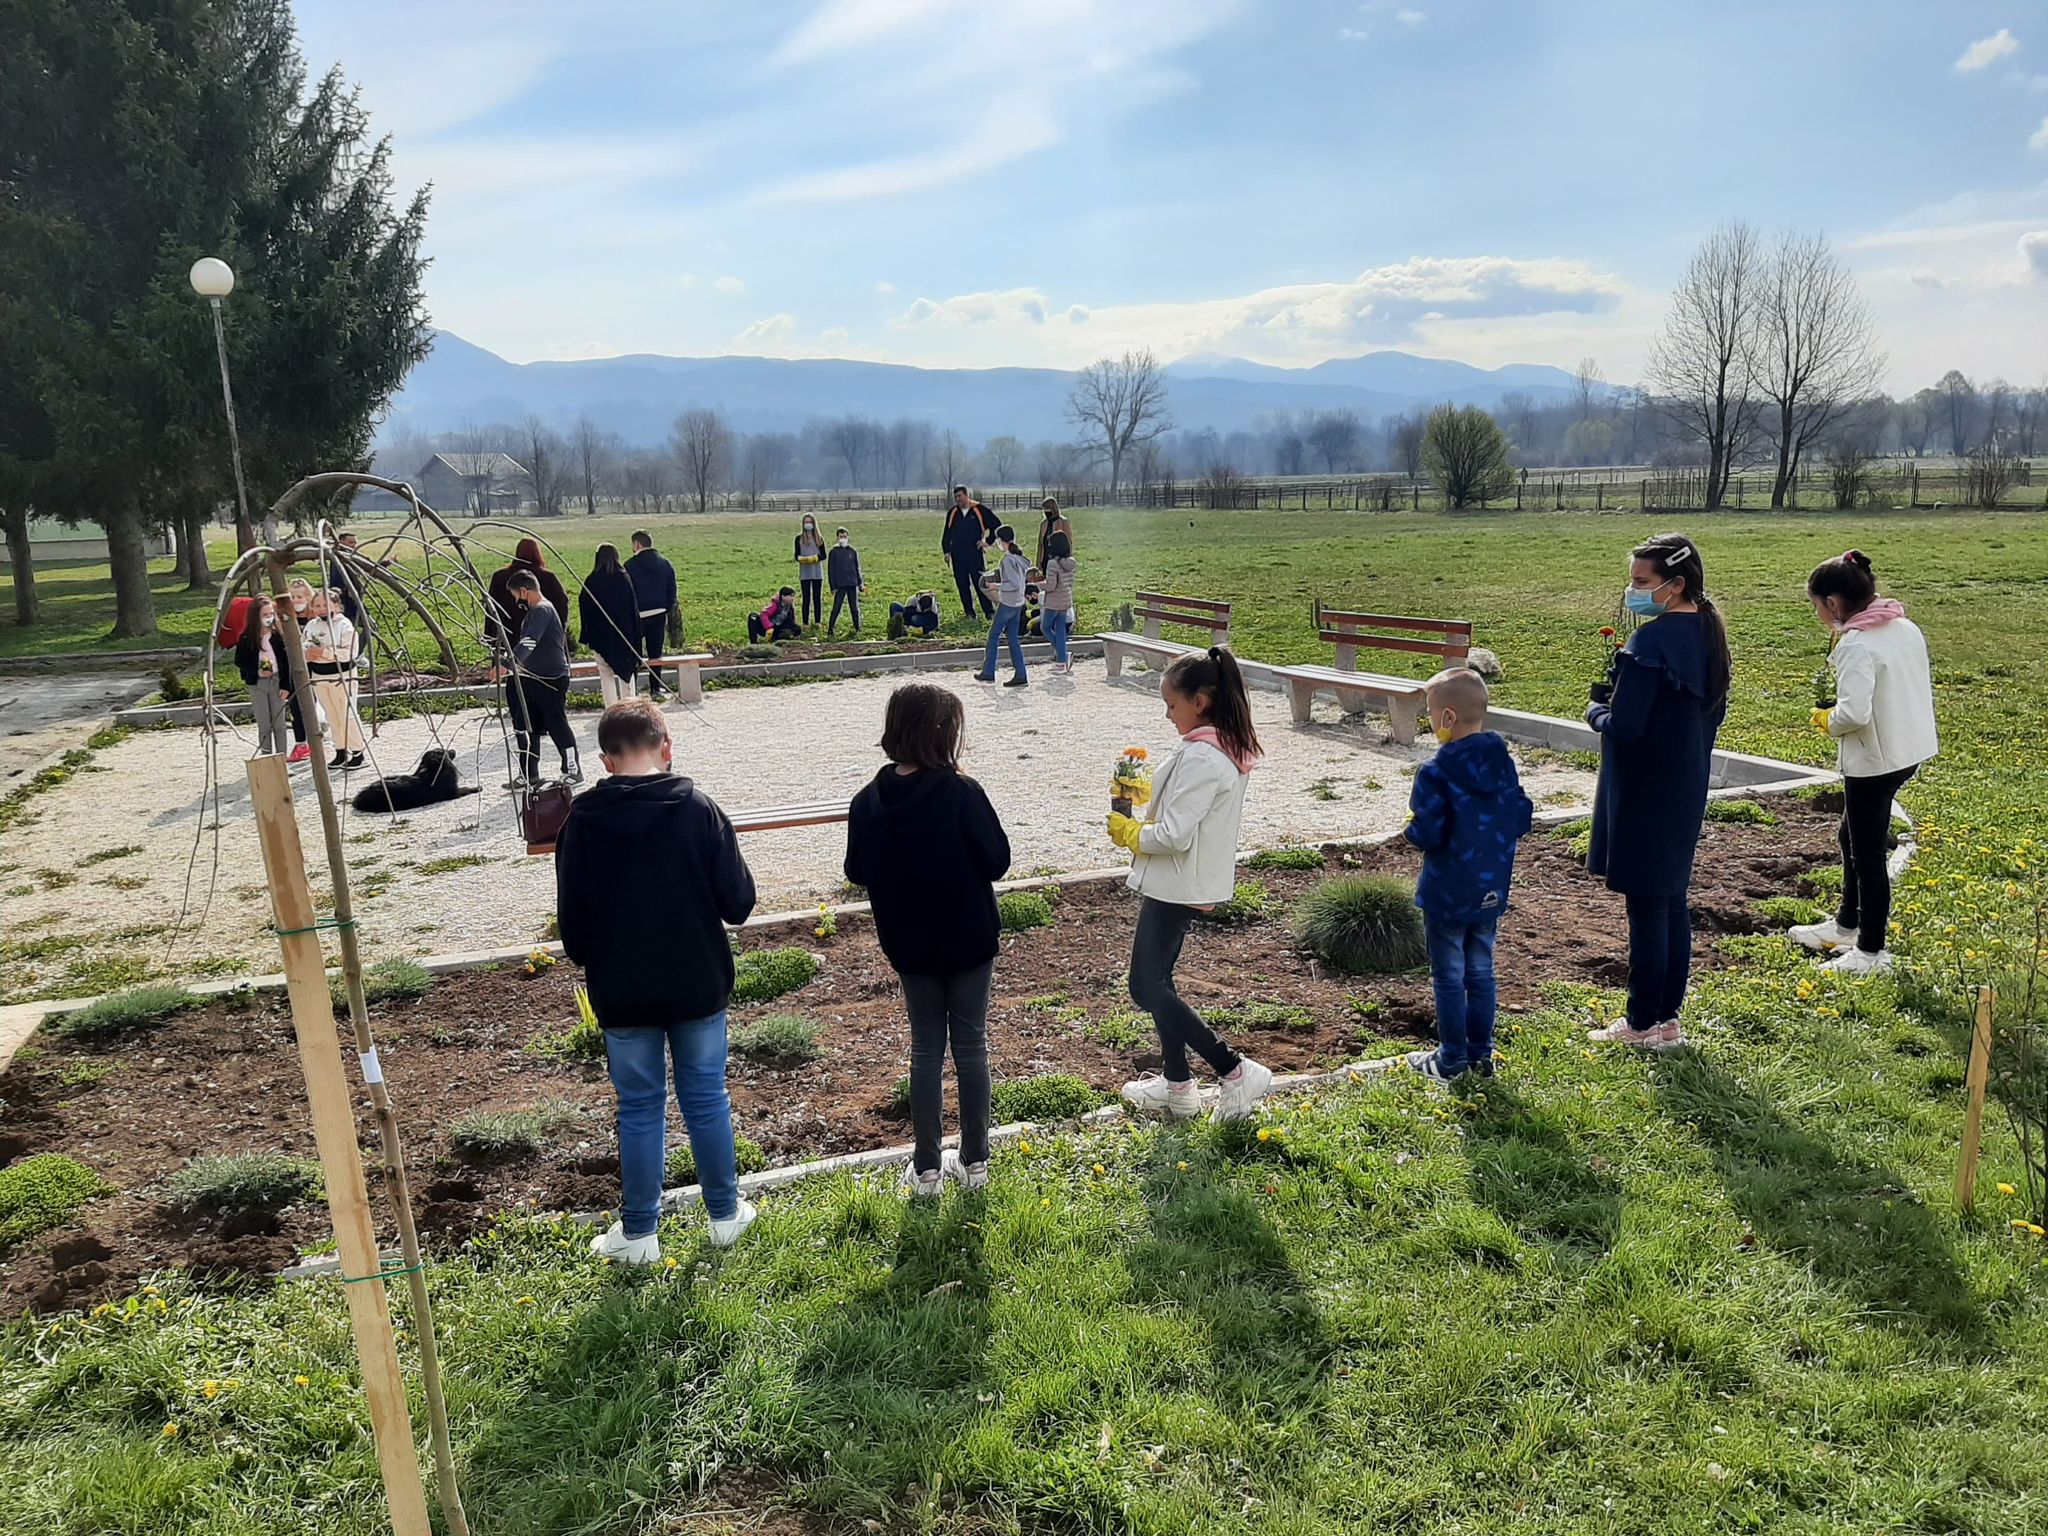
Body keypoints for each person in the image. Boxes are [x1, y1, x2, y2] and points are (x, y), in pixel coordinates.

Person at [556, 699, 760, 1260]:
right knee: (706, 1098)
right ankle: (725, 1214)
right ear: (667, 749)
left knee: (640, 1108)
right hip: (696, 980)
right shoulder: (698, 809)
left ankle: (640, 1233)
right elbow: (739, 903)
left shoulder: (582, 822)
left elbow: (574, 930)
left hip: (623, 989)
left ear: (605, 761)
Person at [845, 684, 1012, 1197]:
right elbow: (998, 861)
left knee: (925, 1049)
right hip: (969, 939)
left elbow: (856, 871)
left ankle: (926, 1169)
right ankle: (977, 1160)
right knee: (971, 1045)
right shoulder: (963, 793)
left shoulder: (867, 801)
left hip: (910, 944)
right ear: (944, 735)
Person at [1107, 648, 1274, 1121]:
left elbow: (1175, 835)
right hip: (1180, 880)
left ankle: (1234, 1070)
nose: (1167, 714)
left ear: (1199, 701)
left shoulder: (1204, 755)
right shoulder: (1212, 745)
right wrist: (1134, 797)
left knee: (1144, 986)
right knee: (1159, 981)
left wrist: (1132, 834)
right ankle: (1178, 1086)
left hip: (1178, 882)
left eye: (1172, 705)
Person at [1584, 532, 1731, 1051]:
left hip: (1645, 790)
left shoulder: (1651, 641)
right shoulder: (1710, 636)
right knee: (1671, 902)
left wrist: (1596, 709)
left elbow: (1626, 726)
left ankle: (1642, 1022)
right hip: (1685, 784)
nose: (1633, 591)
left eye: (1641, 582)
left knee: (1647, 907)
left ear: (1674, 584)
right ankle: (1667, 1018)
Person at [1788, 550, 1938, 976]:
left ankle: (1871, 952)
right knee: (1850, 836)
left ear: (1833, 603)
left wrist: (1826, 720)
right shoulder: (1902, 625)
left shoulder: (1857, 644)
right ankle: (1847, 924)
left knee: (1867, 854)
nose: (1818, 613)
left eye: (1817, 605)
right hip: (1908, 749)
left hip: (1874, 760)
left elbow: (1853, 714)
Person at [1402, 668, 1533, 1080]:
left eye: (1430, 712)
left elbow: (1428, 833)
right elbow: (1521, 815)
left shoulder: (1435, 772)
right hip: (1491, 888)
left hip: (1447, 892)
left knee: (1449, 976)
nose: (1428, 719)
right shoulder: (1503, 764)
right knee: (1481, 971)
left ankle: (1451, 1060)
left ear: (1448, 718)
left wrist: (1411, 828)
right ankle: (1482, 1055)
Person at [502, 570, 580, 786]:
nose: (516, 600)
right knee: (528, 726)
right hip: (532, 676)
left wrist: (508, 664)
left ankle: (572, 769)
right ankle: (529, 774)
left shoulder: (543, 611)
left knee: (557, 724)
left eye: (516, 595)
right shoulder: (534, 612)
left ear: (525, 591)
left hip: (551, 678)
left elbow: (529, 642)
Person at [303, 588, 365, 770]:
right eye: (317, 605)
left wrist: (326, 652)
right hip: (319, 675)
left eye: (326, 605)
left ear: (337, 606)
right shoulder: (311, 626)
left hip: (342, 676)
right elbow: (302, 644)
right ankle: (340, 750)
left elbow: (350, 653)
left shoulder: (344, 626)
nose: (321, 609)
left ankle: (358, 751)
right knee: (331, 714)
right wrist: (308, 654)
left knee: (346, 714)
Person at [579, 543, 644, 706]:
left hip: (601, 637)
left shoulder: (592, 579)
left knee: (605, 674)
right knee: (627, 673)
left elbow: (584, 605)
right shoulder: (623, 577)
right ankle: (630, 707)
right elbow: (632, 609)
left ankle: (611, 709)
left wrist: (588, 632)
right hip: (624, 635)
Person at [486, 537, 571, 659]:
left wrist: (490, 637)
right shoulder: (548, 577)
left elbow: (491, 608)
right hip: (541, 640)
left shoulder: (499, 577)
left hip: (507, 638)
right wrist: (558, 632)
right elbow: (562, 605)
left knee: (509, 673)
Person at [233, 594, 291, 756]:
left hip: (277, 682)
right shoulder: (246, 638)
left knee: (279, 723)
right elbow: (240, 660)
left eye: (271, 614)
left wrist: (286, 685)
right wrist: (257, 670)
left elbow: (286, 662)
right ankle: (267, 757)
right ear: (255, 617)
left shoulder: (278, 637)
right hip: (257, 683)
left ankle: (281, 758)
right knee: (264, 724)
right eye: (265, 615)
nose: (269, 618)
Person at [974, 525, 1031, 688]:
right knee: (1012, 638)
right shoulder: (1020, 559)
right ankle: (1021, 674)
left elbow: (1012, 584)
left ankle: (988, 671)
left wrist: (996, 586)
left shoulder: (1007, 560)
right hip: (1018, 603)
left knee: (993, 636)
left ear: (1001, 541)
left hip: (1008, 602)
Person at [626, 530, 677, 701]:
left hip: (637, 615)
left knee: (633, 651)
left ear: (637, 544)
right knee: (656, 653)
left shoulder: (630, 566)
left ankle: (632, 688)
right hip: (659, 612)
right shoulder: (665, 564)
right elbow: (672, 591)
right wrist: (666, 608)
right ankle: (656, 687)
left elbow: (626, 592)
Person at [942, 486, 996, 619]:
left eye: (960, 496)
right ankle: (969, 613)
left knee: (980, 583)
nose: (958, 499)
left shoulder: (979, 510)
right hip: (957, 555)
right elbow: (946, 534)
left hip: (975, 554)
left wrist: (988, 542)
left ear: (966, 495)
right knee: (962, 584)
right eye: (956, 497)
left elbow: (996, 525)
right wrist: (946, 551)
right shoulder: (953, 513)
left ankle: (989, 611)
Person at [282, 578, 316, 764]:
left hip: (314, 669)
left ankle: (316, 741)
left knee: (312, 706)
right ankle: (301, 743)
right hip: (293, 668)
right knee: (295, 706)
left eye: (300, 596)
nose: (296, 600)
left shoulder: (315, 619)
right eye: (293, 597)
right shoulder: (286, 619)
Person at [1038, 529, 1077, 674]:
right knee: (1060, 629)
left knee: (1045, 627)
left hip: (1054, 601)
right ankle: (1062, 662)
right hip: (1066, 599)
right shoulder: (1071, 562)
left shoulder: (1052, 563)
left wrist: (1038, 585)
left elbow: (1050, 586)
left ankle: (1063, 655)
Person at [826, 526, 867, 637]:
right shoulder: (833, 552)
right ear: (837, 538)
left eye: (844, 536)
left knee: (854, 607)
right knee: (836, 607)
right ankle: (830, 628)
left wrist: (860, 583)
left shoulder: (852, 551)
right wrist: (832, 586)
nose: (843, 538)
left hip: (852, 583)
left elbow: (857, 568)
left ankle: (857, 627)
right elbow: (831, 570)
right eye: (841, 536)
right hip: (840, 585)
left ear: (848, 537)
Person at [794, 515, 827, 630]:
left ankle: (818, 621)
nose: (808, 524)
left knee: (817, 597)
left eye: (810, 522)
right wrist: (802, 559)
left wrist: (815, 558)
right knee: (806, 597)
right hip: (805, 573)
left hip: (817, 572)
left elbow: (824, 555)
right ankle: (805, 622)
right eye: (806, 522)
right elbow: (796, 555)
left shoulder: (819, 539)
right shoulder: (799, 539)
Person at [1034, 496, 1073, 570]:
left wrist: (1067, 561)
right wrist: (1038, 564)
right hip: (1045, 560)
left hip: (1059, 562)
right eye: (1044, 509)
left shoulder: (1063, 522)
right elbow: (1040, 545)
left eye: (1047, 509)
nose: (1045, 512)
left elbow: (1069, 542)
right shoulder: (1044, 524)